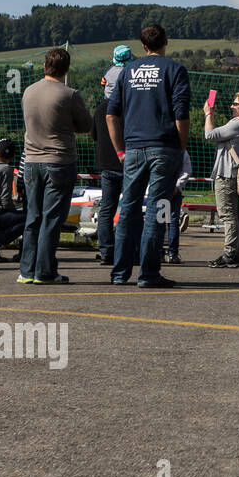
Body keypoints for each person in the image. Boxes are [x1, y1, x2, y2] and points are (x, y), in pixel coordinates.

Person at [107, 24, 191, 289]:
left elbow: (111, 114)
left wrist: (120, 149)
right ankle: (149, 274)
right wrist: (180, 149)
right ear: (166, 41)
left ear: (142, 46)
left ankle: (120, 273)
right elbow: (182, 116)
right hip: (164, 148)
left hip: (132, 149)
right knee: (159, 211)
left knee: (128, 208)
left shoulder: (127, 72)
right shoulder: (175, 70)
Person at [20, 47, 92, 285]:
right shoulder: (69, 94)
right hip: (59, 160)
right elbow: (85, 125)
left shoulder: (29, 91)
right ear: (67, 69)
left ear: (44, 66)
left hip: (31, 161)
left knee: (33, 216)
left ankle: (27, 270)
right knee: (51, 219)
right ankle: (45, 271)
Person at [204, 91, 239, 268]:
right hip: (233, 174)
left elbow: (209, 134)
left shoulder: (238, 125)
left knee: (228, 215)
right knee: (238, 215)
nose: (231, 106)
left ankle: (230, 253)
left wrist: (208, 113)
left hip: (226, 174)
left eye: (235, 104)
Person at [90, 92, 124, 266]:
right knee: (129, 208)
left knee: (106, 209)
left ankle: (106, 250)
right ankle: (127, 249)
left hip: (106, 164)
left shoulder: (101, 108)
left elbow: (94, 135)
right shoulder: (129, 105)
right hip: (127, 163)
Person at [163, 150, 191, 264]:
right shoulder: (182, 150)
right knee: (173, 221)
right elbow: (187, 171)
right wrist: (177, 186)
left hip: (161, 190)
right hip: (174, 190)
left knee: (161, 221)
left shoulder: (159, 147)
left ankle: (159, 252)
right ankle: (172, 253)